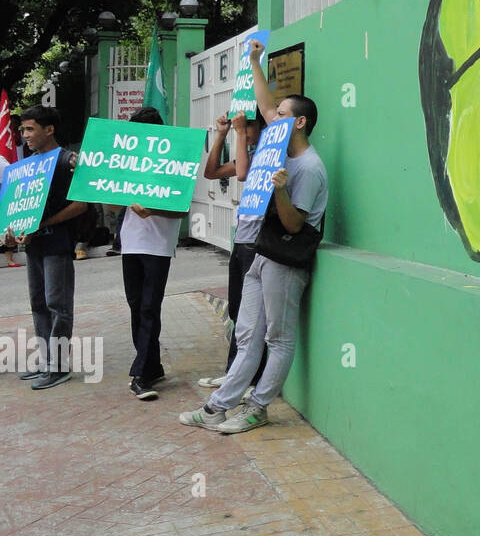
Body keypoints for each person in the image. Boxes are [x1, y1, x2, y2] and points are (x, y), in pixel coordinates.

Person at [181, 40, 327, 434]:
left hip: (284, 258)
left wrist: (279, 188)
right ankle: (217, 407)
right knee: (247, 335)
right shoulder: (278, 145)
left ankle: (259, 407)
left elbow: (296, 224)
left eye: (281, 114)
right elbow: (264, 103)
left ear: (298, 122)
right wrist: (253, 61)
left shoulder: (310, 168)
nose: (271, 116)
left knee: (277, 337)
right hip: (260, 253)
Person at [2, 107, 87, 389]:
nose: (24, 136)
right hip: (34, 246)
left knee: (57, 305)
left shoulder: (68, 160)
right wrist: (13, 232)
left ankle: (58, 366)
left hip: (58, 242)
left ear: (49, 130)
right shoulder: (25, 168)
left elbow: (80, 205)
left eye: (29, 129)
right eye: (22, 130)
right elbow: (17, 211)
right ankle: (46, 360)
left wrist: (45, 222)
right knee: (39, 304)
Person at [108, 106, 188, 401]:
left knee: (149, 308)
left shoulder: (175, 163)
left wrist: (152, 209)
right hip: (131, 243)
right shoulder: (128, 165)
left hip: (158, 246)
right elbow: (112, 204)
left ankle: (140, 373)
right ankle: (151, 365)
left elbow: (182, 209)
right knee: (136, 306)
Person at [196, 109, 266, 390]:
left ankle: (247, 376)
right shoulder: (248, 151)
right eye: (242, 126)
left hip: (256, 242)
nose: (244, 130)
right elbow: (211, 172)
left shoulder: (267, 154)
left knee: (252, 315)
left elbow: (242, 175)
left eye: (248, 126)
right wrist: (222, 135)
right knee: (237, 310)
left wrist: (237, 133)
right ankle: (234, 371)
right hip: (242, 238)